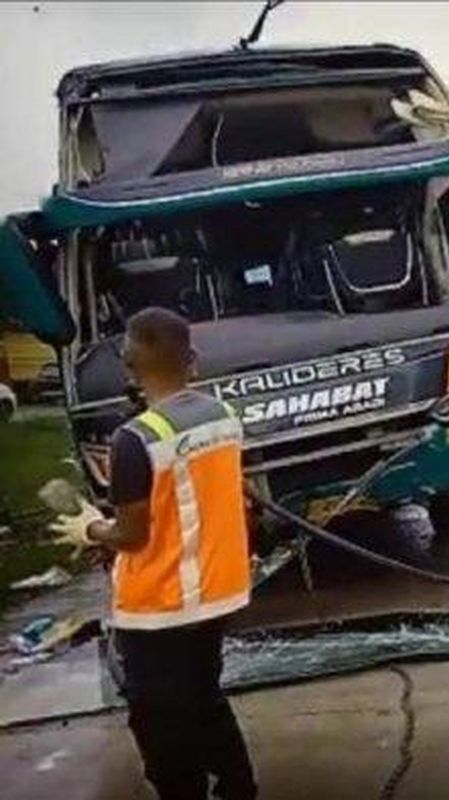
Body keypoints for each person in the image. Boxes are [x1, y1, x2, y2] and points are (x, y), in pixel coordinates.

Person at [50, 307, 256, 800]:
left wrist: (90, 530)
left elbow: (132, 535)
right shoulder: (224, 417)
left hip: (159, 606)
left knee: (158, 723)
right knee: (205, 699)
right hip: (217, 593)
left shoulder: (135, 439)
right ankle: (239, 789)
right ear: (193, 359)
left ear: (128, 361)